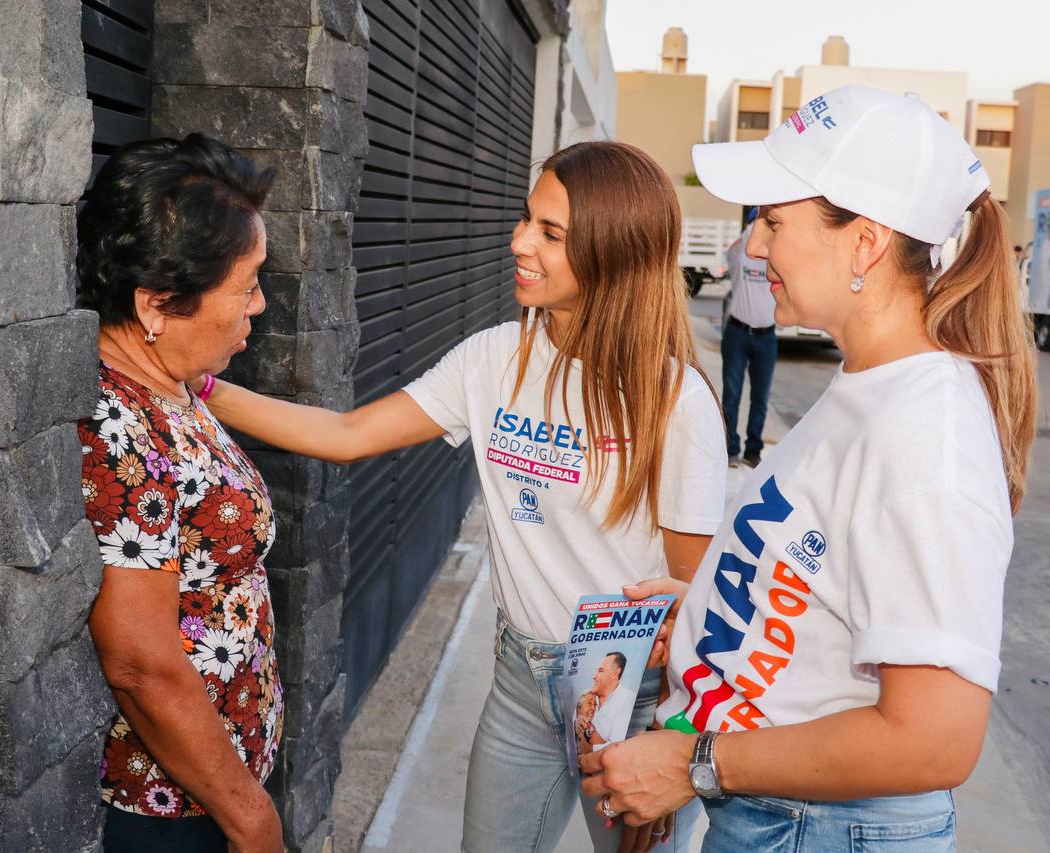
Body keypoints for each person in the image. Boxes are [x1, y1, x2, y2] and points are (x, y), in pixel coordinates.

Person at [193, 141, 727, 853]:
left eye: (551, 232)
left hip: (635, 695)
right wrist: (197, 384)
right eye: (527, 218)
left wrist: (675, 737)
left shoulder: (674, 400)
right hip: (521, 681)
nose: (519, 241)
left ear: (614, 253)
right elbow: (349, 434)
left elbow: (699, 600)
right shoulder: (494, 358)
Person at [579, 86, 1038, 851]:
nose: (754, 247)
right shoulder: (872, 386)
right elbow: (826, 579)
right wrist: (714, 602)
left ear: (865, 244)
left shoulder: (927, 434)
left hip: (816, 827)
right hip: (788, 818)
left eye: (773, 220)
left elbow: (933, 739)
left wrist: (694, 763)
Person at [76, 134, 285, 853]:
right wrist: (251, 817)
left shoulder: (171, 383)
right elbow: (140, 663)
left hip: (214, 790)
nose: (260, 304)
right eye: (246, 284)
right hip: (169, 809)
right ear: (157, 305)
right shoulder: (118, 429)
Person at [720, 210, 778, 468]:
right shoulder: (740, 255)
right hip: (738, 333)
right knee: (731, 395)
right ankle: (730, 448)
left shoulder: (774, 257)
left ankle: (753, 451)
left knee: (760, 398)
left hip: (766, 338)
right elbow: (730, 254)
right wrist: (749, 231)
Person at [587, 652, 638, 745]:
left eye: (600, 671)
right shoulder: (585, 697)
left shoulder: (629, 699)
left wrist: (585, 727)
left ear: (615, 673)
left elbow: (616, 746)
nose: (594, 676)